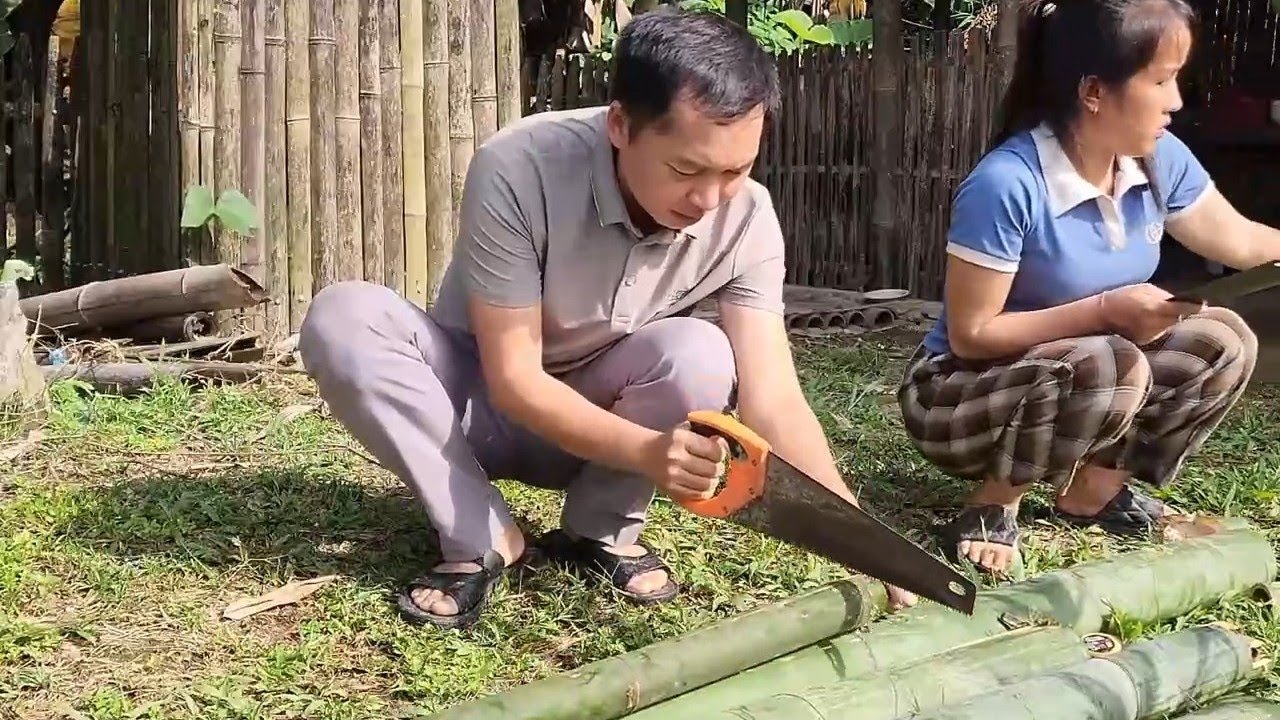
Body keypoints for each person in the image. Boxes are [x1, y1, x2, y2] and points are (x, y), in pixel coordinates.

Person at [299, 7, 917, 630]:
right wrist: (652, 451)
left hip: (603, 424)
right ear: (620, 125)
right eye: (685, 170)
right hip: (472, 411)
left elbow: (774, 397)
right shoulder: (521, 166)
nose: (708, 200)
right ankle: (481, 533)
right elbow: (513, 379)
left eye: (735, 170)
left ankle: (601, 531)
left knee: (702, 350)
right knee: (344, 317)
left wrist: (860, 534)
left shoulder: (747, 219)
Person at [898, 0, 1280, 575]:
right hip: (958, 395)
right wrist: (1105, 310)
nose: (1176, 102)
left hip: (1084, 371)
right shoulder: (1008, 183)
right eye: (1161, 80)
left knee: (1222, 339)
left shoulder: (1157, 160)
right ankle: (991, 507)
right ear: (1095, 92)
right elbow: (972, 335)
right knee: (1111, 359)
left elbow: (1245, 242)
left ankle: (1094, 493)